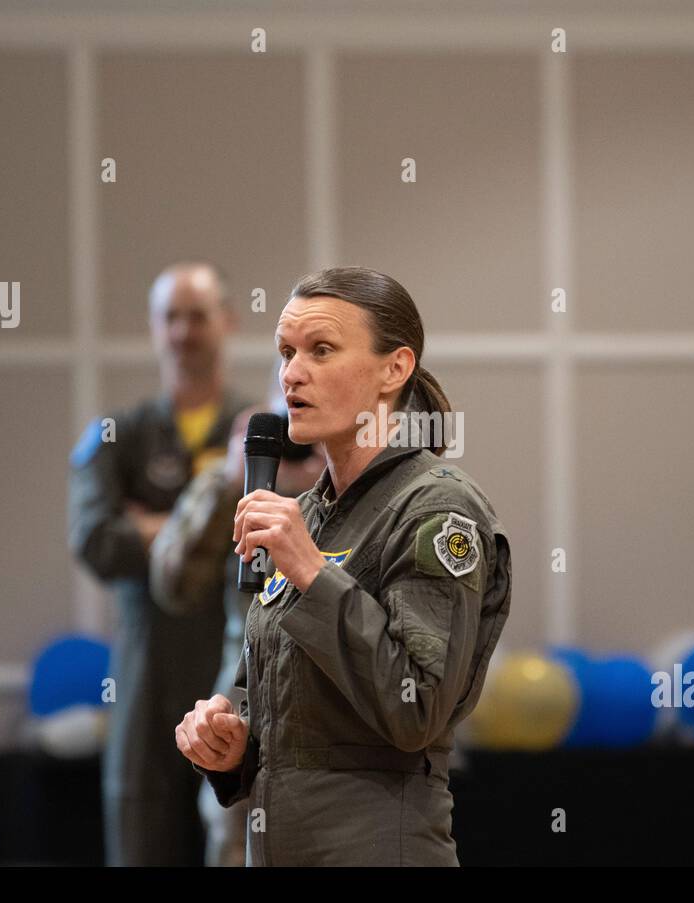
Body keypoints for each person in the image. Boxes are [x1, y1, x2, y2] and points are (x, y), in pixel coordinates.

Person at [174, 266, 513, 866]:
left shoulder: (437, 506)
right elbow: (291, 717)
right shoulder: (304, 515)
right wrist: (232, 742)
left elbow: (416, 709)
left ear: (395, 368)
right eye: (286, 352)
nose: (291, 373)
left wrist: (311, 571)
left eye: (321, 350)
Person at [68, 261, 253, 866]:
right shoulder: (117, 434)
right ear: (153, 327)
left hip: (238, 673)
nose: (183, 331)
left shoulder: (261, 433)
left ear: (226, 322)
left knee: (234, 844)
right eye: (170, 317)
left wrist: (152, 523)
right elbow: (96, 540)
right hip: (145, 683)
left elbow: (284, 535)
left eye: (197, 315)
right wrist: (202, 525)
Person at [150, 379, 326, 866]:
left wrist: (316, 489)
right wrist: (231, 485)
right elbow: (171, 584)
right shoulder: (244, 473)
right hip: (243, 704)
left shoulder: (346, 481)